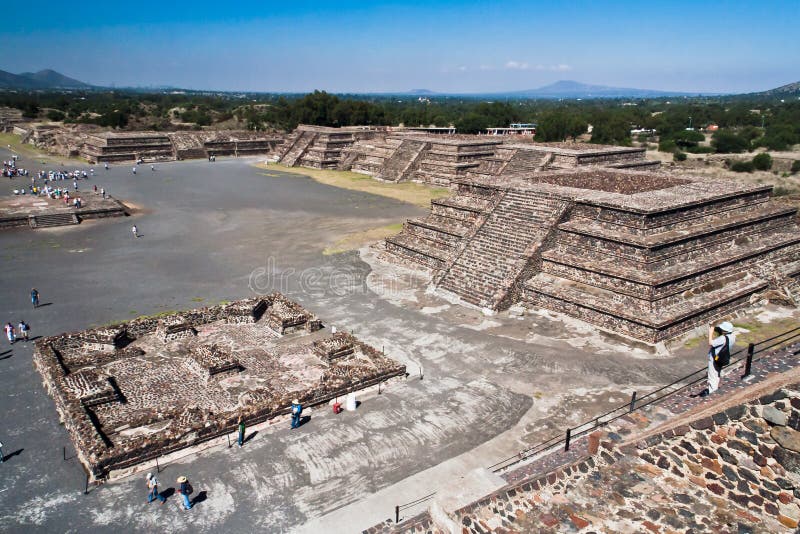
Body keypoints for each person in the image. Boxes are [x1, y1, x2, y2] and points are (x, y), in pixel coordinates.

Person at [701, 321, 735, 397]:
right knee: (716, 374)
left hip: (715, 359)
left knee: (712, 376)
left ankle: (712, 393)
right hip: (722, 359)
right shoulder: (732, 336)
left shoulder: (723, 338)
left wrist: (711, 331)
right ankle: (713, 390)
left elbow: (711, 343)